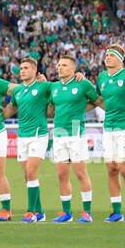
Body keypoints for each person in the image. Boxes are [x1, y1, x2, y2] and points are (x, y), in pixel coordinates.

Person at [94, 45, 125, 222]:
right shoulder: (102, 77)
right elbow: (98, 98)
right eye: (106, 55)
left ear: (120, 59)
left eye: (111, 55)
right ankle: (116, 211)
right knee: (112, 169)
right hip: (109, 128)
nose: (107, 58)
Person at [48, 55, 98, 223]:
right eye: (59, 65)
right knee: (62, 174)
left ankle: (87, 212)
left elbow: (97, 100)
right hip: (59, 132)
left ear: (73, 69)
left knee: (80, 173)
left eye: (64, 65)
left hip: (76, 132)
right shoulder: (54, 87)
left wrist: (81, 109)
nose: (59, 68)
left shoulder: (83, 84)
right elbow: (50, 108)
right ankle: (66, 213)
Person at [5, 57, 50, 222]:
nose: (22, 71)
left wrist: (79, 76)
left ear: (34, 71)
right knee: (27, 174)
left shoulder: (43, 86)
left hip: (38, 134)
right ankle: (40, 212)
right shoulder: (17, 91)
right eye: (21, 68)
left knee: (31, 171)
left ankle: (31, 212)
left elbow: (60, 89)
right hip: (22, 135)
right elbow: (12, 108)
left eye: (25, 68)